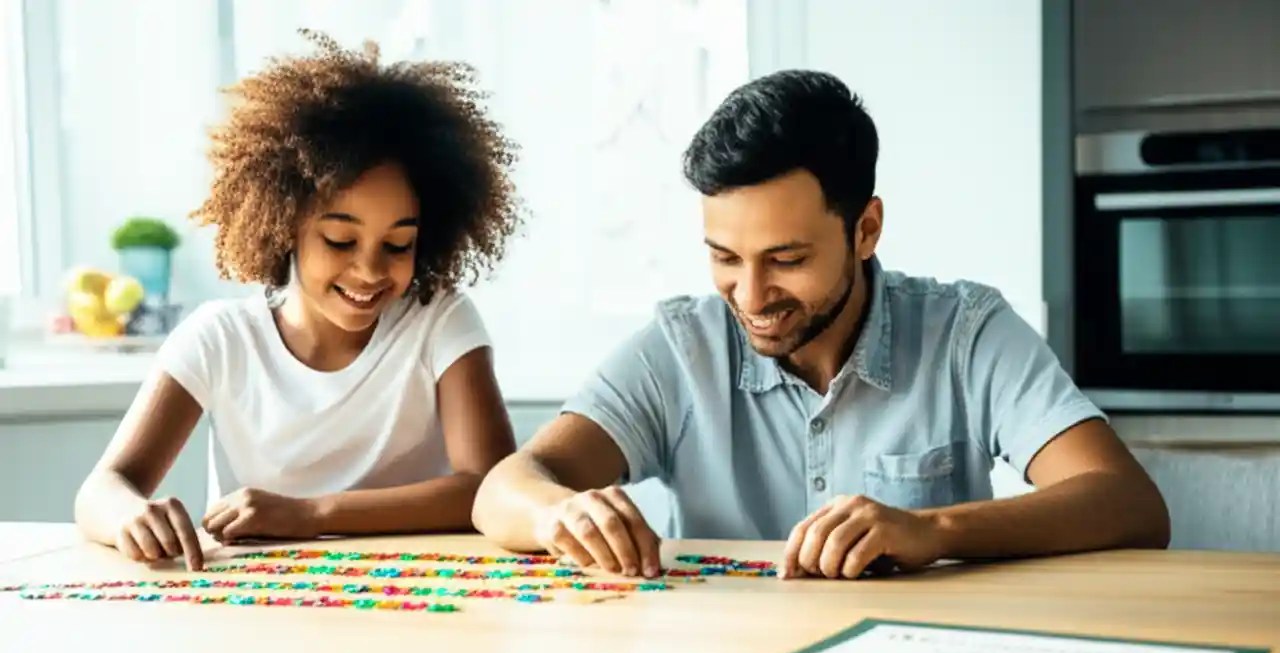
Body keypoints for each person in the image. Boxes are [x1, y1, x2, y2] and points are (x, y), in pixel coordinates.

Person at [472, 69, 1170, 580]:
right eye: (724, 257)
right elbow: (508, 485)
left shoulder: (967, 330)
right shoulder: (682, 348)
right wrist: (555, 515)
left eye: (786, 259)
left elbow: (1129, 503)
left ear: (865, 230)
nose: (749, 294)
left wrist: (931, 530)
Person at [74, 31, 523, 571]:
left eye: (398, 244)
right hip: (264, 604)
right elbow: (103, 488)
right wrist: (130, 516)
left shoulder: (440, 320)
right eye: (340, 240)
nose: (370, 269)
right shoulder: (220, 337)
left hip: (421, 594)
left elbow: (489, 487)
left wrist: (312, 514)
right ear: (284, 225)